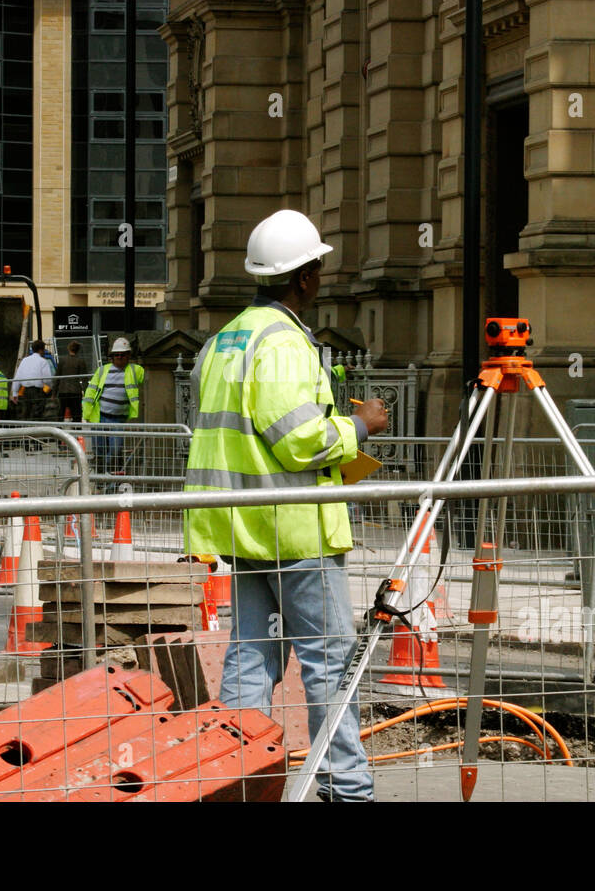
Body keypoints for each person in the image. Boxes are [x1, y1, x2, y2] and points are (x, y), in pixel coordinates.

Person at [183, 209, 388, 802]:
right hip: (295, 529)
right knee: (326, 665)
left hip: (244, 528)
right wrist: (359, 426)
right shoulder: (285, 342)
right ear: (303, 278)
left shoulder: (224, 340)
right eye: (317, 269)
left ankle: (234, 780)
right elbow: (298, 439)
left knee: (250, 658)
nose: (321, 279)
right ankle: (346, 787)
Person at [82, 337, 145, 475]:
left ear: (129, 355)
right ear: (112, 357)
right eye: (117, 355)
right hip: (100, 416)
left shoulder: (135, 371)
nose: (120, 357)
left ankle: (109, 477)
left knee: (115, 450)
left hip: (118, 419)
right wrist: (87, 414)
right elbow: (90, 392)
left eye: (123, 354)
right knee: (99, 450)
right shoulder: (102, 371)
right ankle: (100, 478)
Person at [12, 339, 54, 421]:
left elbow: (18, 377)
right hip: (37, 392)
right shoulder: (43, 362)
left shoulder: (24, 360)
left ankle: (25, 431)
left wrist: (15, 393)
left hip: (25, 391)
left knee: (25, 414)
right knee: (37, 414)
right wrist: (51, 387)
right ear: (41, 350)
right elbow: (47, 379)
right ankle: (36, 432)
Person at [56, 340, 87, 421]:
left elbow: (57, 378)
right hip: (75, 391)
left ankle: (57, 432)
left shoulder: (62, 361)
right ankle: (77, 431)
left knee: (60, 414)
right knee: (77, 415)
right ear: (78, 350)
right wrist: (86, 392)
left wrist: (53, 393)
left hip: (63, 391)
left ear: (69, 349)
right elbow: (84, 379)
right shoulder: (81, 361)